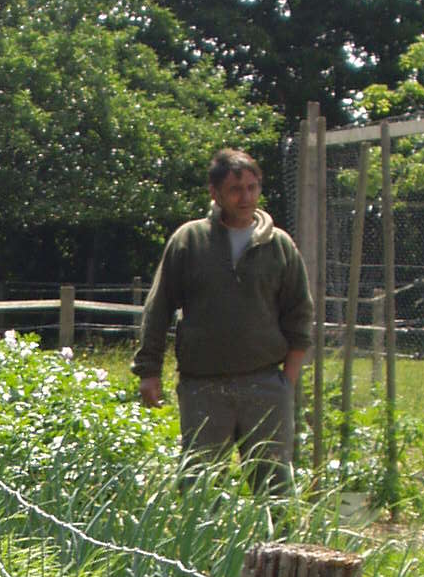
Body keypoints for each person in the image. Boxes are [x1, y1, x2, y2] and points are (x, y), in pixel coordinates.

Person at [131, 148, 313, 493]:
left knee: (275, 486)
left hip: (264, 385)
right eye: (235, 189)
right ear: (215, 194)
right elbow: (159, 308)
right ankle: (203, 548)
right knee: (198, 486)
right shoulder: (189, 241)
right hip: (204, 387)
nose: (245, 197)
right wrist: (149, 371)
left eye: (252, 187)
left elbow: (300, 315)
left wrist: (286, 382)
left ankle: (280, 547)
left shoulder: (278, 245)